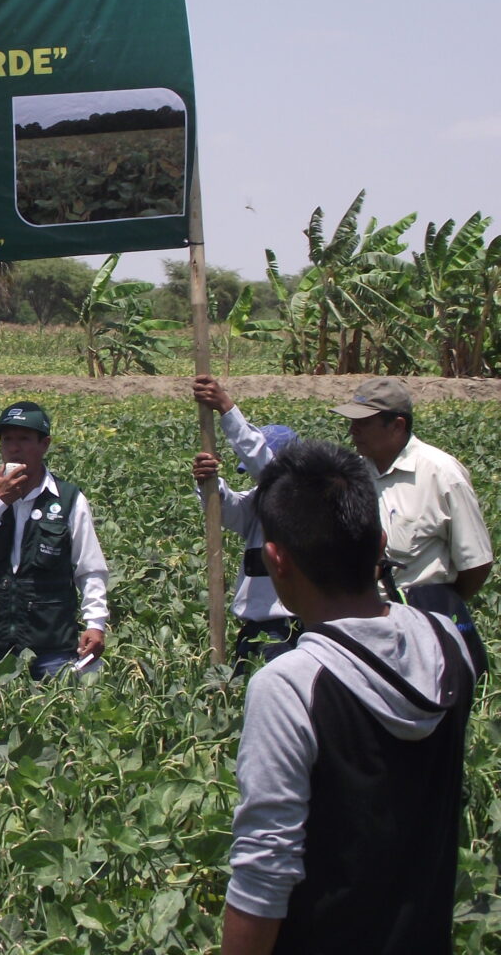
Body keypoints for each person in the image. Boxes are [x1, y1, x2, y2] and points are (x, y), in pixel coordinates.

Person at [223, 440, 475, 954]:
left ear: (276, 560)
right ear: (381, 544)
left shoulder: (291, 685)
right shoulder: (448, 644)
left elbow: (264, 875)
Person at [329, 375, 490, 670]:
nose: (353, 430)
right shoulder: (352, 475)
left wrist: (438, 602)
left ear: (397, 425)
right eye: (352, 422)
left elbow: (476, 564)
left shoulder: (440, 473)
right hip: (364, 626)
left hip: (426, 626)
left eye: (363, 422)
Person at [0, 401, 108, 678]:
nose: (14, 447)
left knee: (57, 703)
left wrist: (96, 623)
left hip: (52, 642)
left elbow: (90, 567)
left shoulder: (68, 498)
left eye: (23, 439)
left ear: (44, 445)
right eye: (7, 439)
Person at [193, 375, 301, 673]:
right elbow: (227, 511)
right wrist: (208, 482)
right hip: (254, 629)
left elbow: (266, 465)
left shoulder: (304, 500)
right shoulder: (259, 500)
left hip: (288, 630)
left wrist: (227, 409)